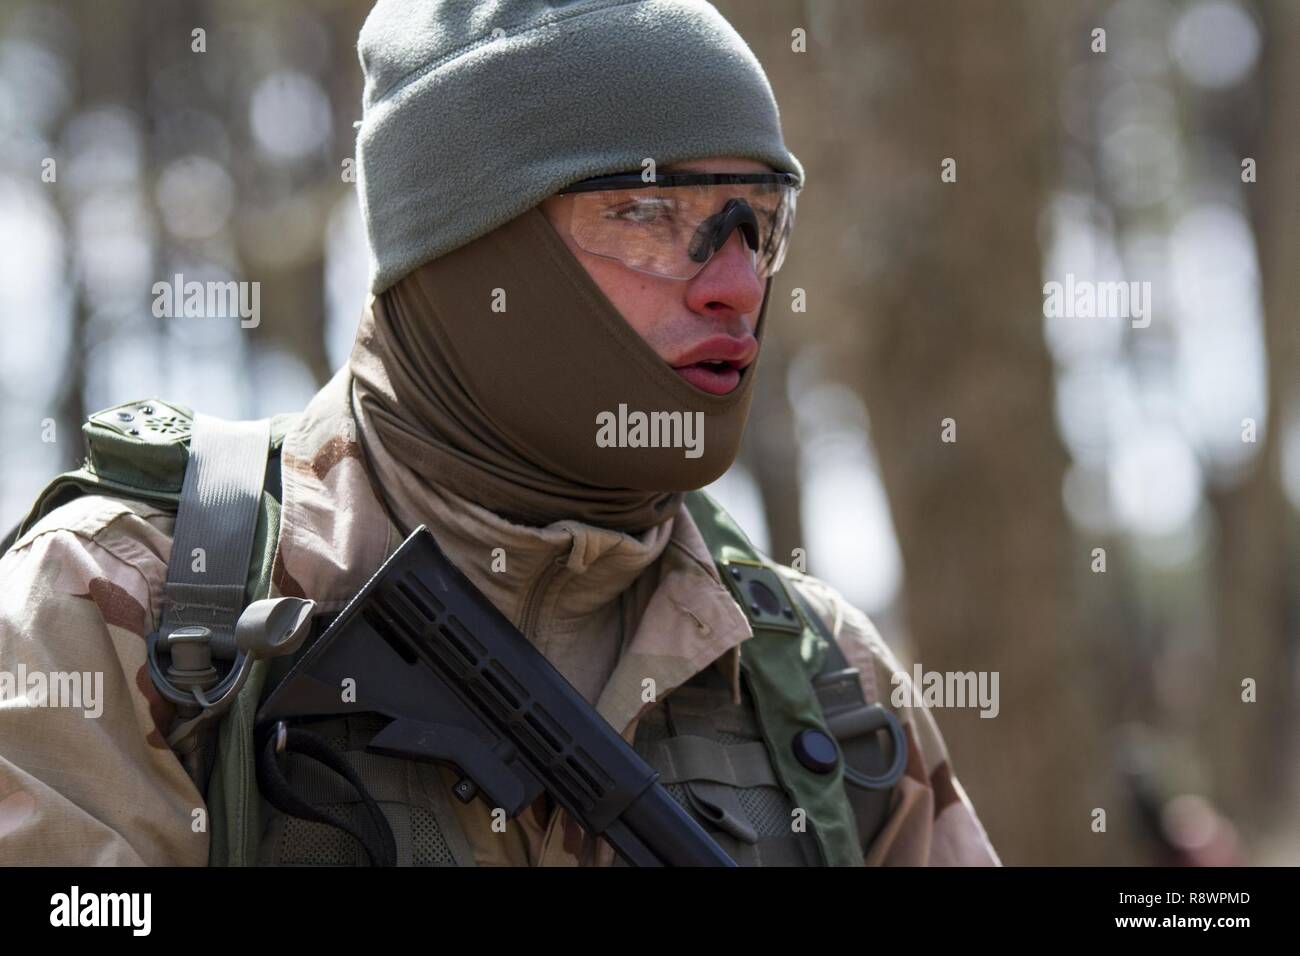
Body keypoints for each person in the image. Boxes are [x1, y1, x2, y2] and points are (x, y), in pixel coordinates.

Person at [0, 0, 998, 867]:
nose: (735, 284)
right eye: (647, 210)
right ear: (471, 249)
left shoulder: (823, 680)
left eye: (756, 222)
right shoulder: (115, 602)